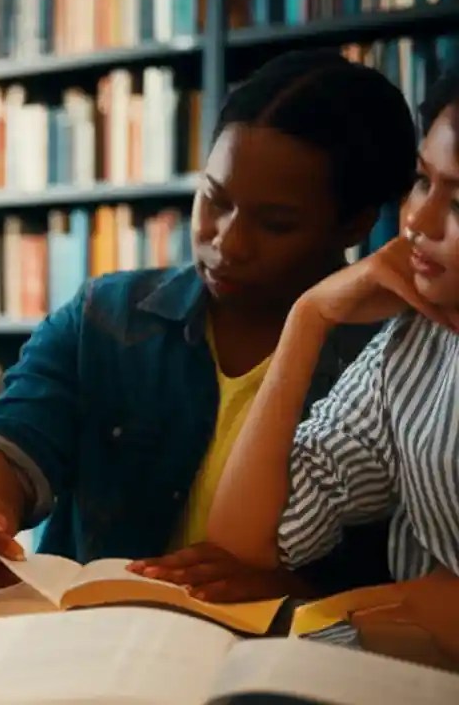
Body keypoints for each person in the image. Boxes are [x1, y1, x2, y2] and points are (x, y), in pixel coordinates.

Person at [0, 50, 418, 600]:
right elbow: (14, 437)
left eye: (276, 224)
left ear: (355, 224)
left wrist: (292, 587)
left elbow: (405, 561)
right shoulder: (106, 314)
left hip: (294, 659)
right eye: (214, 199)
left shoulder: (400, 361)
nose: (227, 242)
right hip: (92, 645)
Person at [171, 67, 459, 659]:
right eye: (422, 183)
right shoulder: (415, 347)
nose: (418, 222)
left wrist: (352, 609)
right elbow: (246, 542)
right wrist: (308, 319)